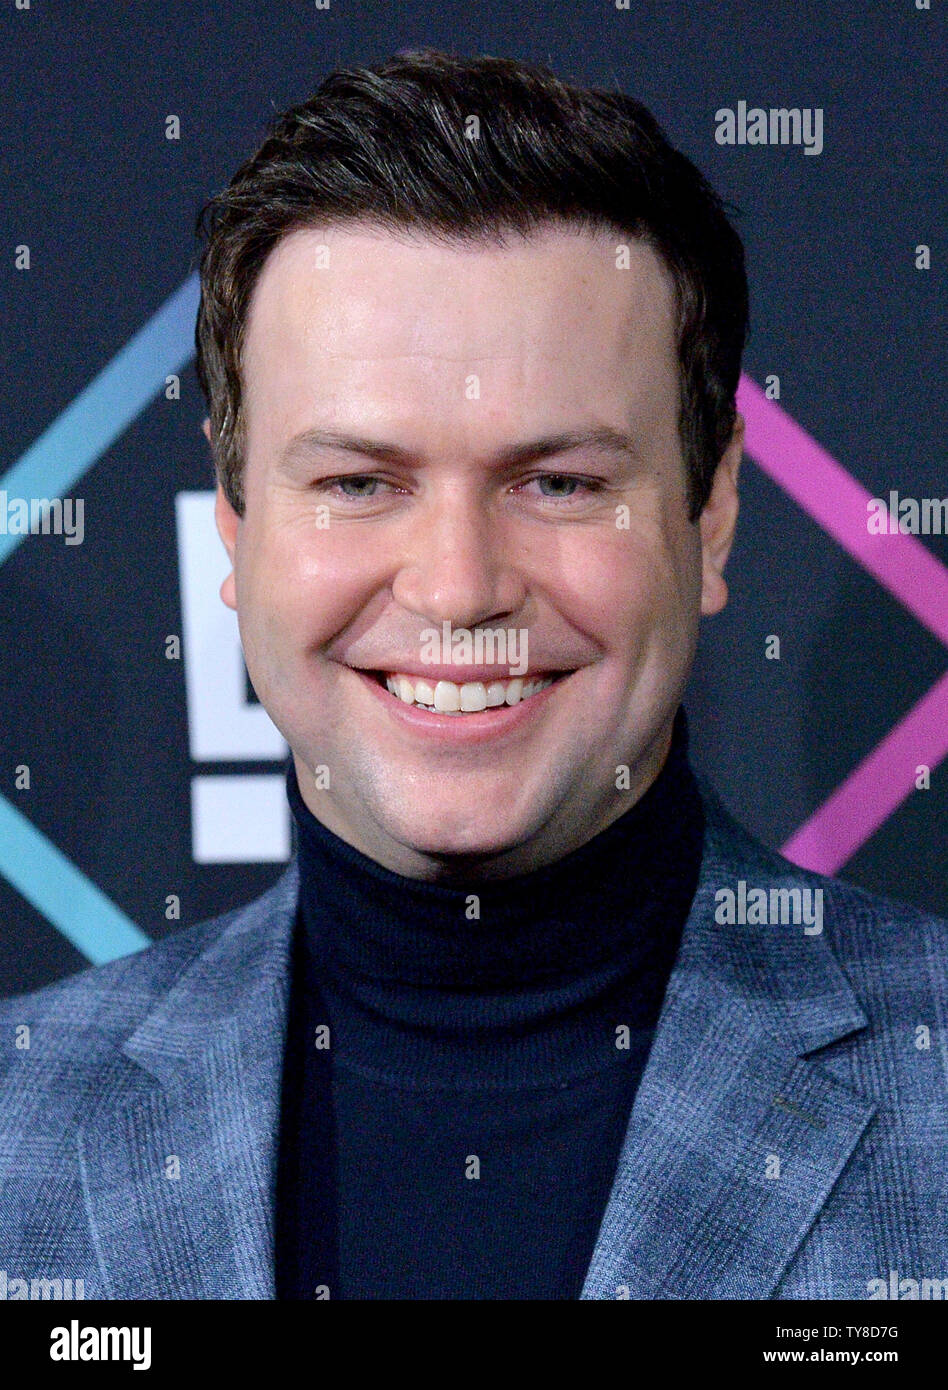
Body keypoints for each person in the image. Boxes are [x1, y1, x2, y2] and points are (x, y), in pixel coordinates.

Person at [1, 48, 945, 1302]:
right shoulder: (21, 1121)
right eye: (359, 483)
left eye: (558, 482)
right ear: (233, 527)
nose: (458, 587)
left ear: (711, 511)